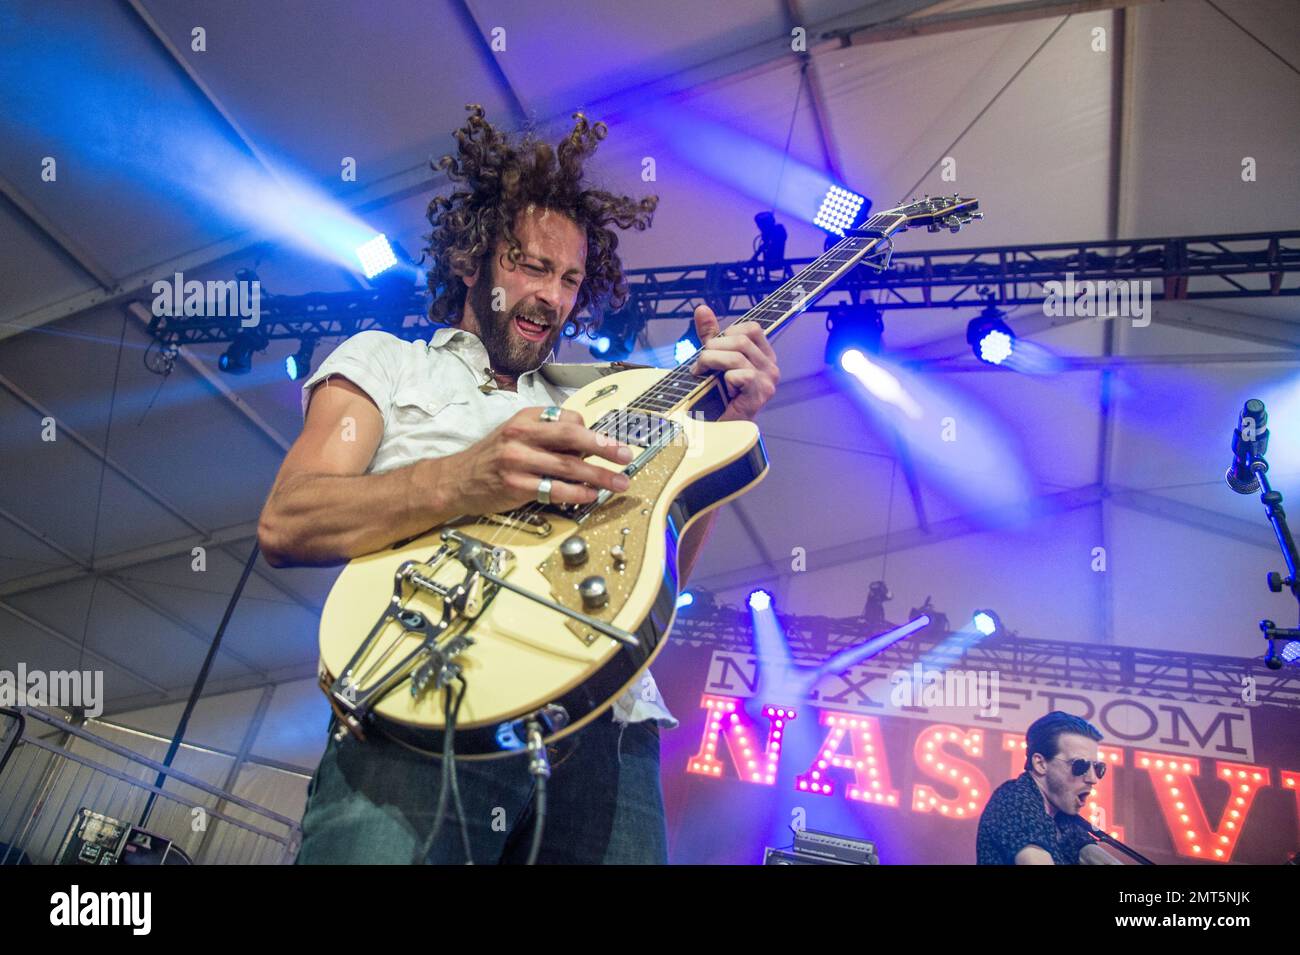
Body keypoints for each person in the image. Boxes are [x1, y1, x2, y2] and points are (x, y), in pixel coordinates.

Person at [257, 104, 780, 864]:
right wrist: (468, 478)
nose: (553, 296)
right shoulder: (386, 362)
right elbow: (286, 519)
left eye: (570, 278)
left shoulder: (602, 398)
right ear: (471, 259)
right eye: (531, 266)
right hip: (427, 701)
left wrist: (710, 445)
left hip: (607, 724)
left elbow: (650, 565)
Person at [976, 711, 1105, 865]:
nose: (1093, 778)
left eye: (1098, 768)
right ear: (1040, 764)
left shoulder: (1063, 818)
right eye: (1079, 765)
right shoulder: (1014, 799)